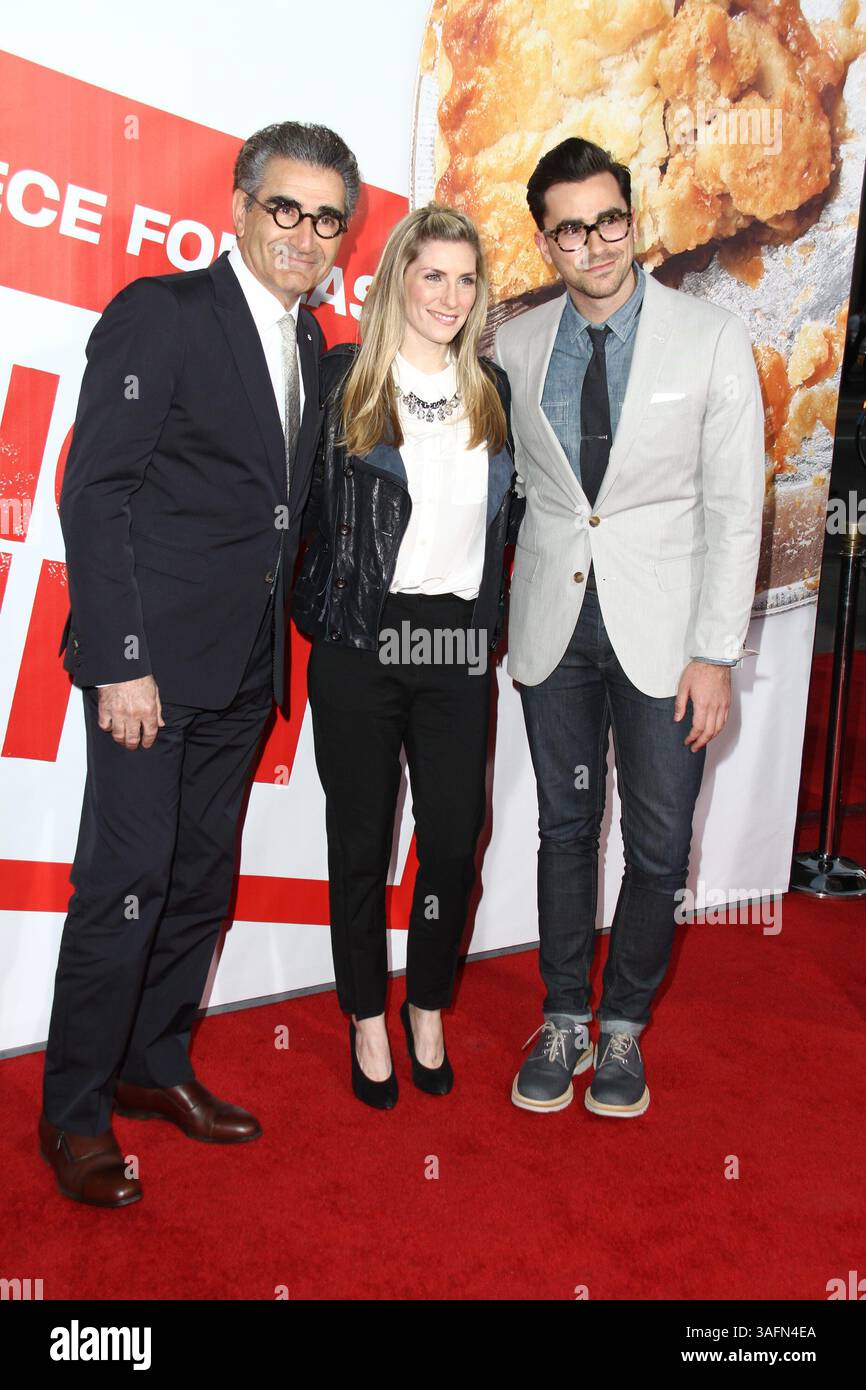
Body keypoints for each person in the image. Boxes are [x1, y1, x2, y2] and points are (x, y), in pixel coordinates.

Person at [41, 121, 360, 1206]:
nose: (303, 233)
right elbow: (95, 493)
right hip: (149, 672)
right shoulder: (163, 315)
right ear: (238, 205)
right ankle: (74, 1113)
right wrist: (122, 661)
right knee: (122, 885)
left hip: (241, 669)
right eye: (285, 207)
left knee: (196, 883)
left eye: (325, 218)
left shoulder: (313, 345)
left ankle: (155, 1063)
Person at [496, 137, 764, 1118]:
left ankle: (621, 1029)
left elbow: (737, 505)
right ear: (546, 240)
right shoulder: (516, 348)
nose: (595, 243)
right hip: (554, 627)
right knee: (564, 827)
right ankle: (563, 1013)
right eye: (570, 228)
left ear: (629, 216)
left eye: (608, 219)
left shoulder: (707, 337)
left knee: (655, 847)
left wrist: (714, 652)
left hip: (667, 636)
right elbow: (516, 493)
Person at [293, 204, 518, 1109]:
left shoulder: (490, 387)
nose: (450, 296)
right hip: (360, 637)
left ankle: (426, 1001)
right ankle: (364, 1014)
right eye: (433, 275)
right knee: (360, 841)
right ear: (397, 279)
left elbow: (514, 520)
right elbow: (303, 508)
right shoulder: (348, 377)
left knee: (453, 840)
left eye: (466, 279)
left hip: (455, 638)